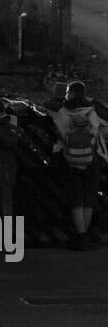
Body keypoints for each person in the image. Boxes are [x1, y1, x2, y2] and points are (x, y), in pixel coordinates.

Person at [49, 81, 108, 249]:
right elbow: (101, 127)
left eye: (68, 92)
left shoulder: (61, 111)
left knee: (76, 198)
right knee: (89, 197)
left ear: (72, 93)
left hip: (70, 159)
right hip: (91, 158)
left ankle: (80, 235)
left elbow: (60, 130)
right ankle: (87, 235)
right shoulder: (92, 111)